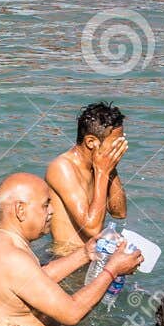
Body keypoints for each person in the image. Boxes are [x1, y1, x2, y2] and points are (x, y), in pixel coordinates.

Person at [0, 173, 142, 326]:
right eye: (45, 204)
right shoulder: (14, 257)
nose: (52, 211)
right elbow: (72, 313)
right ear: (20, 209)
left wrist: (85, 253)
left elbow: (32, 279)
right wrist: (112, 270)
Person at [45, 102, 127, 257]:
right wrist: (103, 171)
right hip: (67, 262)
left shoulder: (99, 166)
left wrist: (111, 167)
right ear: (91, 142)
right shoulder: (62, 167)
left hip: (93, 256)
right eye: (115, 143)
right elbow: (92, 229)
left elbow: (119, 212)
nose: (121, 146)